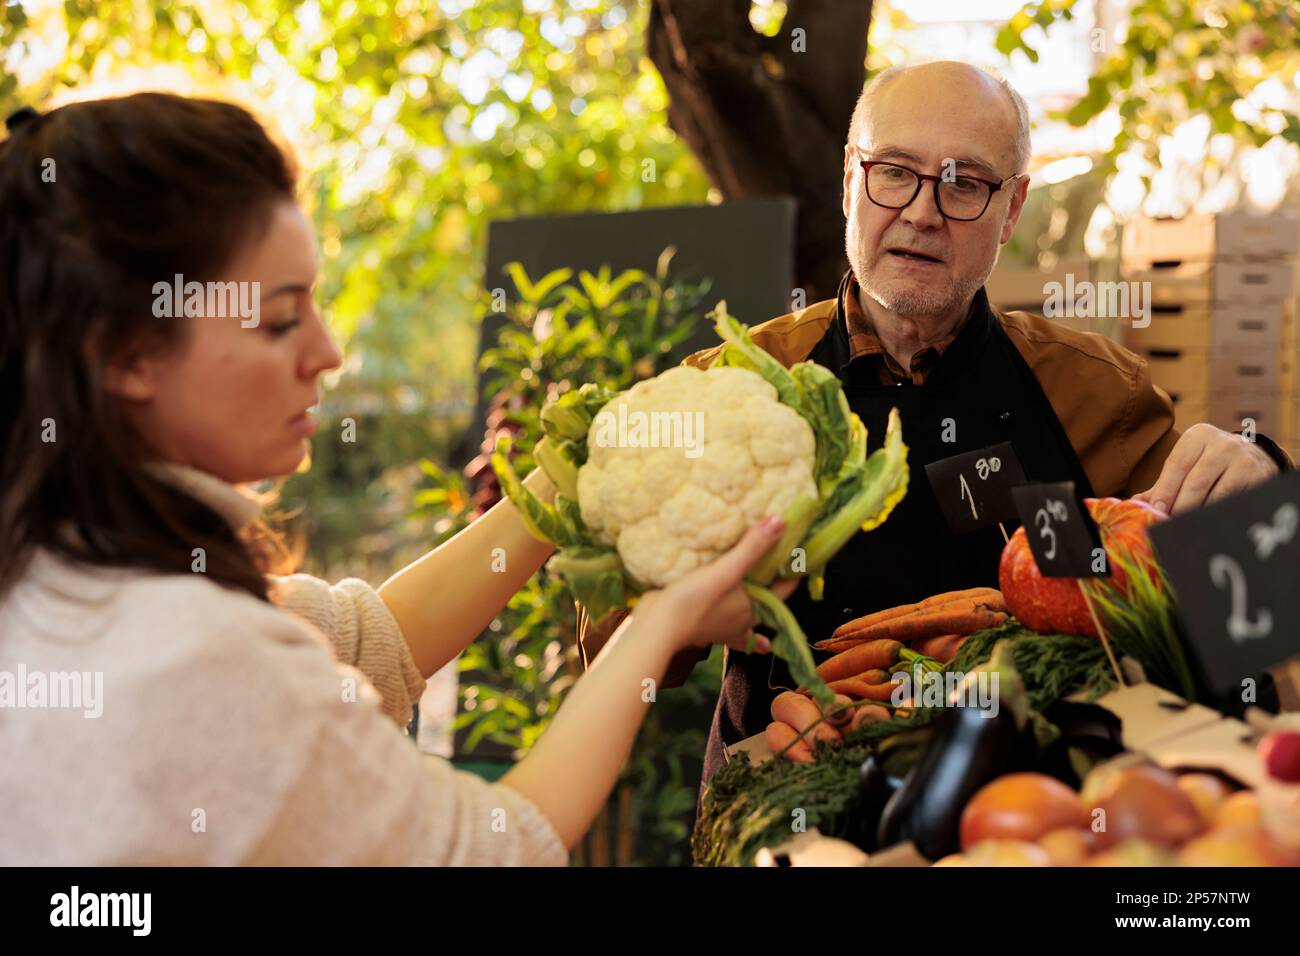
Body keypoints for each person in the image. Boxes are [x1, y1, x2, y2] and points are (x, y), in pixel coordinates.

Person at [0, 93, 795, 865]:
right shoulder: (191, 653)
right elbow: (496, 850)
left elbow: (364, 644)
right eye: (280, 320)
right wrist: (661, 623)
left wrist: (568, 476)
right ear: (128, 356)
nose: (329, 352)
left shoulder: (64, 573)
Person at [579, 60, 1294, 787]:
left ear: (1010, 210)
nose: (923, 212)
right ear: (850, 180)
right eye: (895, 172)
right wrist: (671, 589)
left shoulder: (1093, 392)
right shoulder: (729, 389)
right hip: (783, 801)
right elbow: (622, 661)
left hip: (1027, 813)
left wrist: (1263, 482)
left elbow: (1239, 620)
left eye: (964, 183)